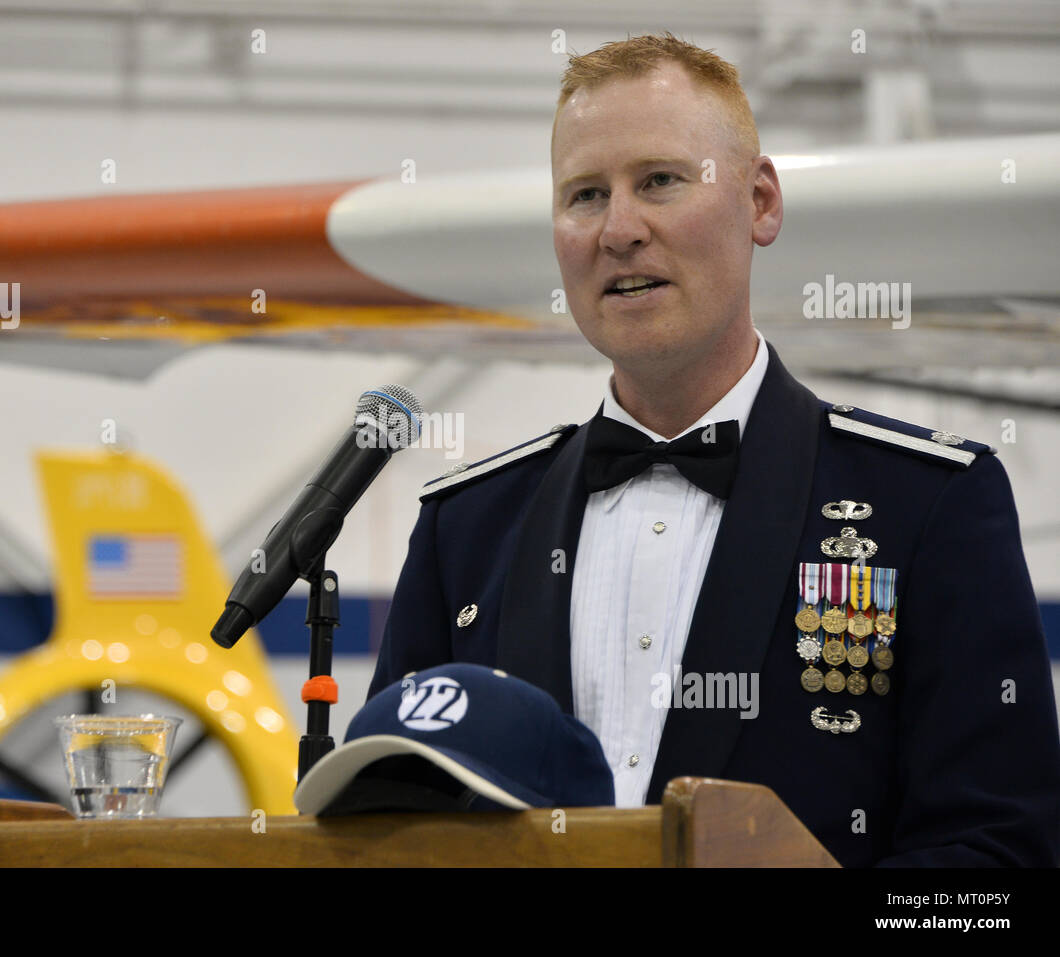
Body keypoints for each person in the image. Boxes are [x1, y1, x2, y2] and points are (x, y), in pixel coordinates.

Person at [367, 33, 1060, 867]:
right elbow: (386, 829)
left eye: (659, 180)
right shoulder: (466, 525)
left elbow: (999, 862)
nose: (618, 229)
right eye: (585, 194)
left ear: (760, 201)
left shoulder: (931, 503)